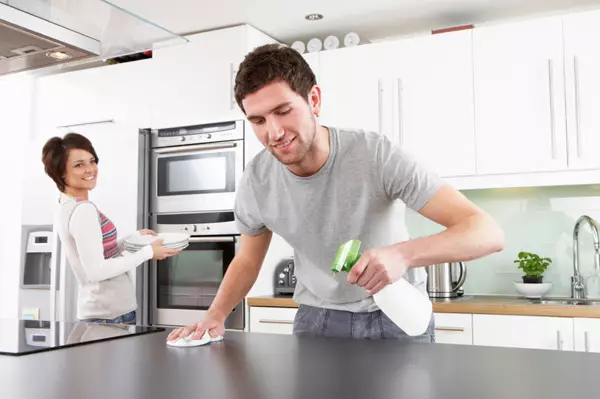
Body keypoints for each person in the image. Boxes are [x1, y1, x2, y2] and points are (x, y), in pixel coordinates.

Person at [168, 43, 504, 342]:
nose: (274, 132)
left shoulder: (376, 155)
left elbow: (486, 232)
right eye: (257, 121)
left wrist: (402, 255)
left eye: (283, 111)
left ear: (314, 99)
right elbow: (246, 259)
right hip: (317, 320)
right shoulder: (257, 180)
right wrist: (215, 315)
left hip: (396, 316)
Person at [42, 132, 179, 324]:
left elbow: (96, 253)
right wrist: (147, 252)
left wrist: (130, 239)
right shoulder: (83, 210)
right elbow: (97, 271)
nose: (91, 169)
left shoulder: (65, 205)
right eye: (79, 165)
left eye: (92, 161)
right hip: (110, 315)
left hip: (102, 312)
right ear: (61, 172)